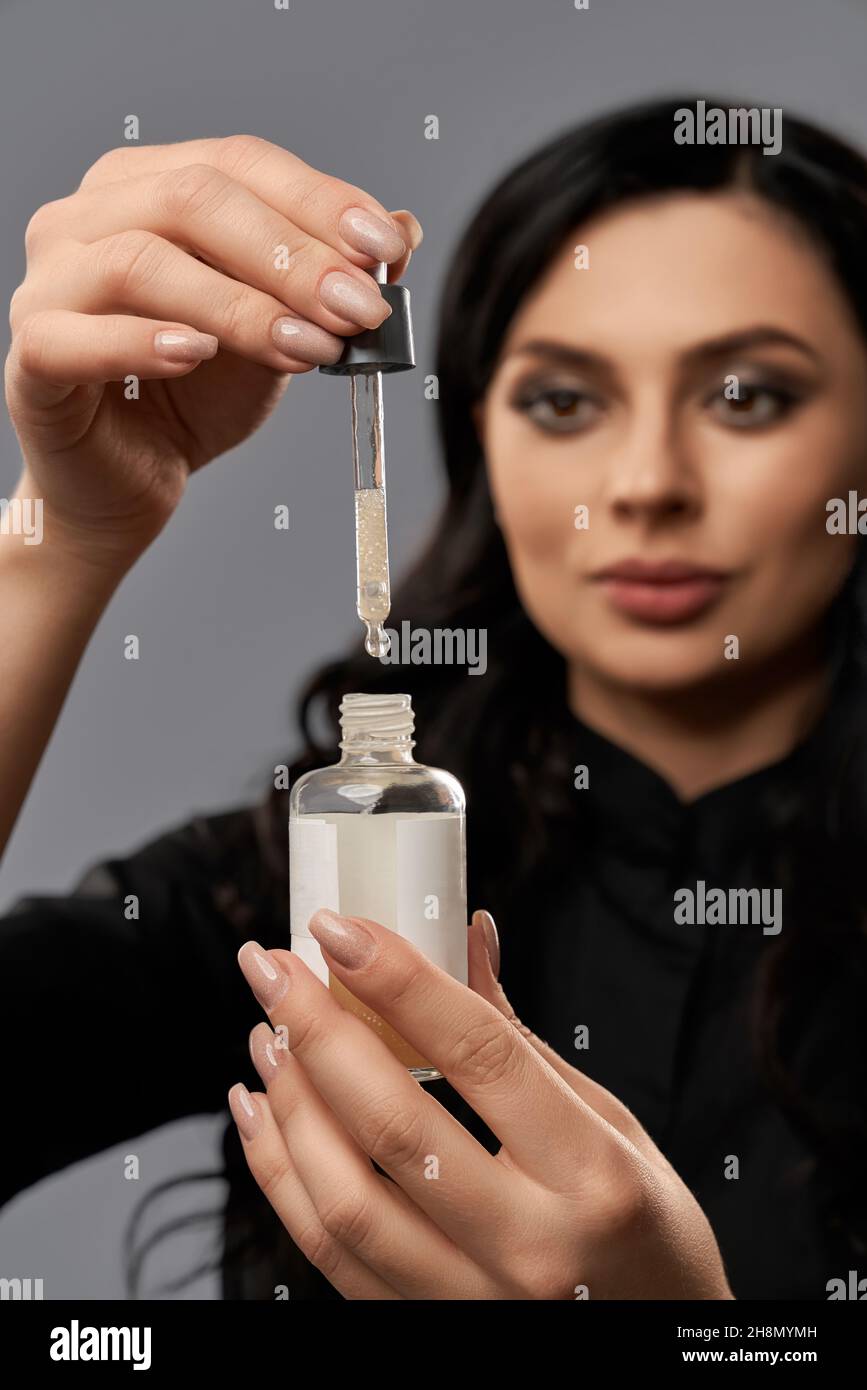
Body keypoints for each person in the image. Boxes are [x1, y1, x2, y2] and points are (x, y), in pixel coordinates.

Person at [2, 93, 866, 1300]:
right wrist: (61, 540)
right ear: (481, 442)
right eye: (564, 399)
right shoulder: (308, 893)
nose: (646, 485)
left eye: (748, 396)